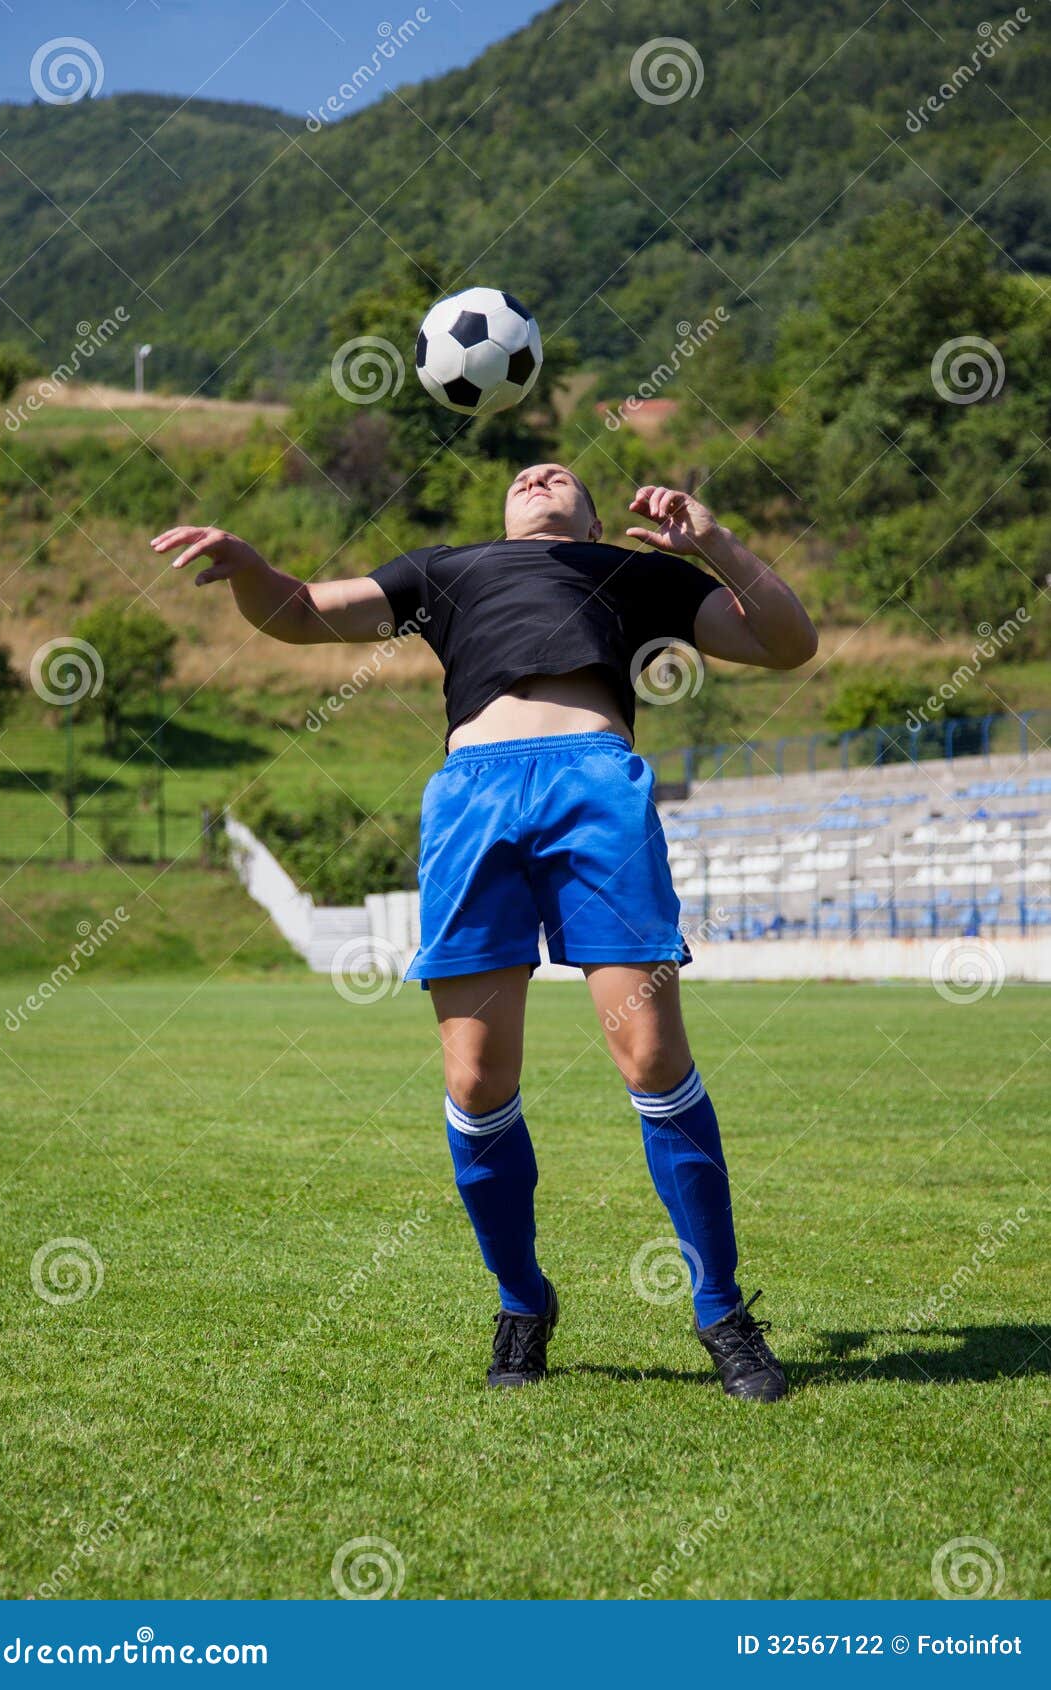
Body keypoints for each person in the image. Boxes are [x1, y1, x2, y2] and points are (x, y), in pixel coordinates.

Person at [153, 465, 817, 1400]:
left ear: (590, 516)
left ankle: (720, 1313)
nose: (540, 473)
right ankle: (521, 1301)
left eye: (561, 475)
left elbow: (788, 644)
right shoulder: (444, 571)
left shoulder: (635, 573)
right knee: (475, 1077)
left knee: (652, 1057)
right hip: (474, 798)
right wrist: (253, 563)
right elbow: (300, 612)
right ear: (500, 513)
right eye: (521, 474)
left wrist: (714, 541)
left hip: (596, 787)